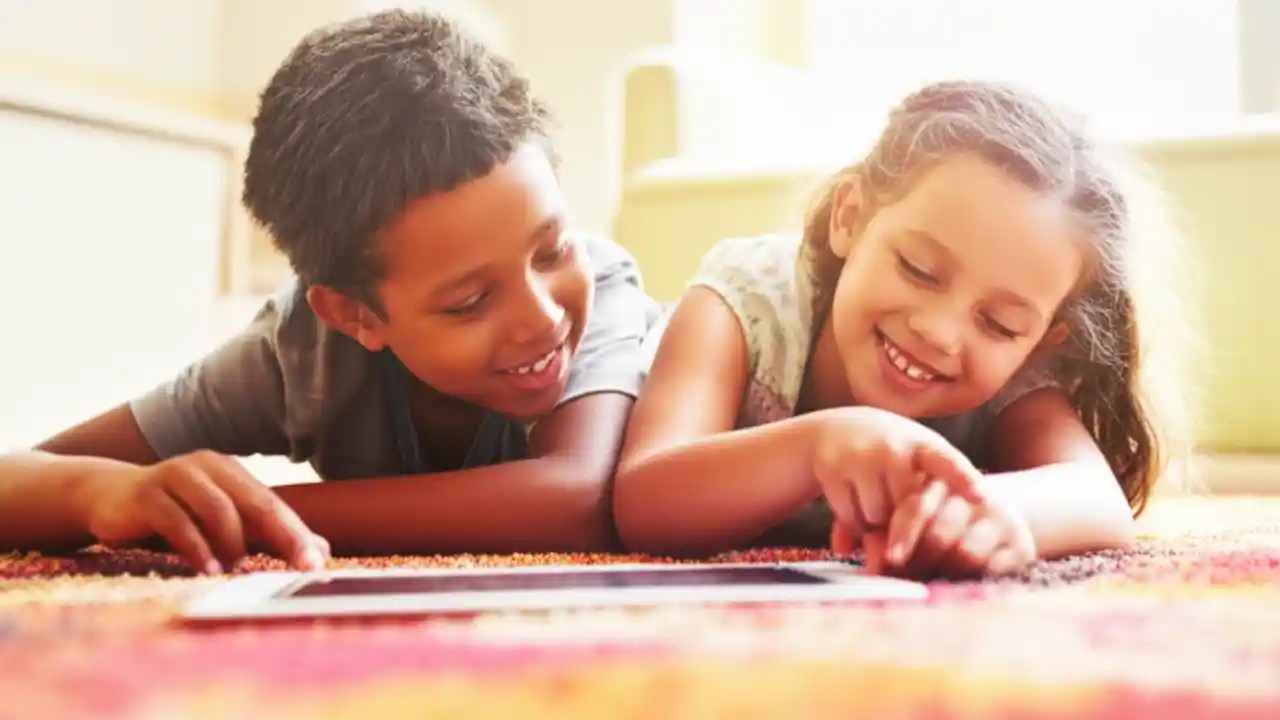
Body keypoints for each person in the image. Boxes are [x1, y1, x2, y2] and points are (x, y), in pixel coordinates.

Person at [0, 10, 657, 573]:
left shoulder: (606, 291)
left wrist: (247, 510)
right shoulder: (298, 357)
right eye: (468, 303)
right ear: (352, 315)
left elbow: (575, 500)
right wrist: (98, 492)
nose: (540, 318)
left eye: (552, 249)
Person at [612, 80, 1191, 578]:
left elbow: (1096, 498)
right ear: (850, 219)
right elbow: (643, 501)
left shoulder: (1014, 376)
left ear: (1041, 340)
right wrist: (822, 443)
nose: (939, 332)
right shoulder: (746, 299)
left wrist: (993, 509)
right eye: (918, 270)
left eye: (998, 323)